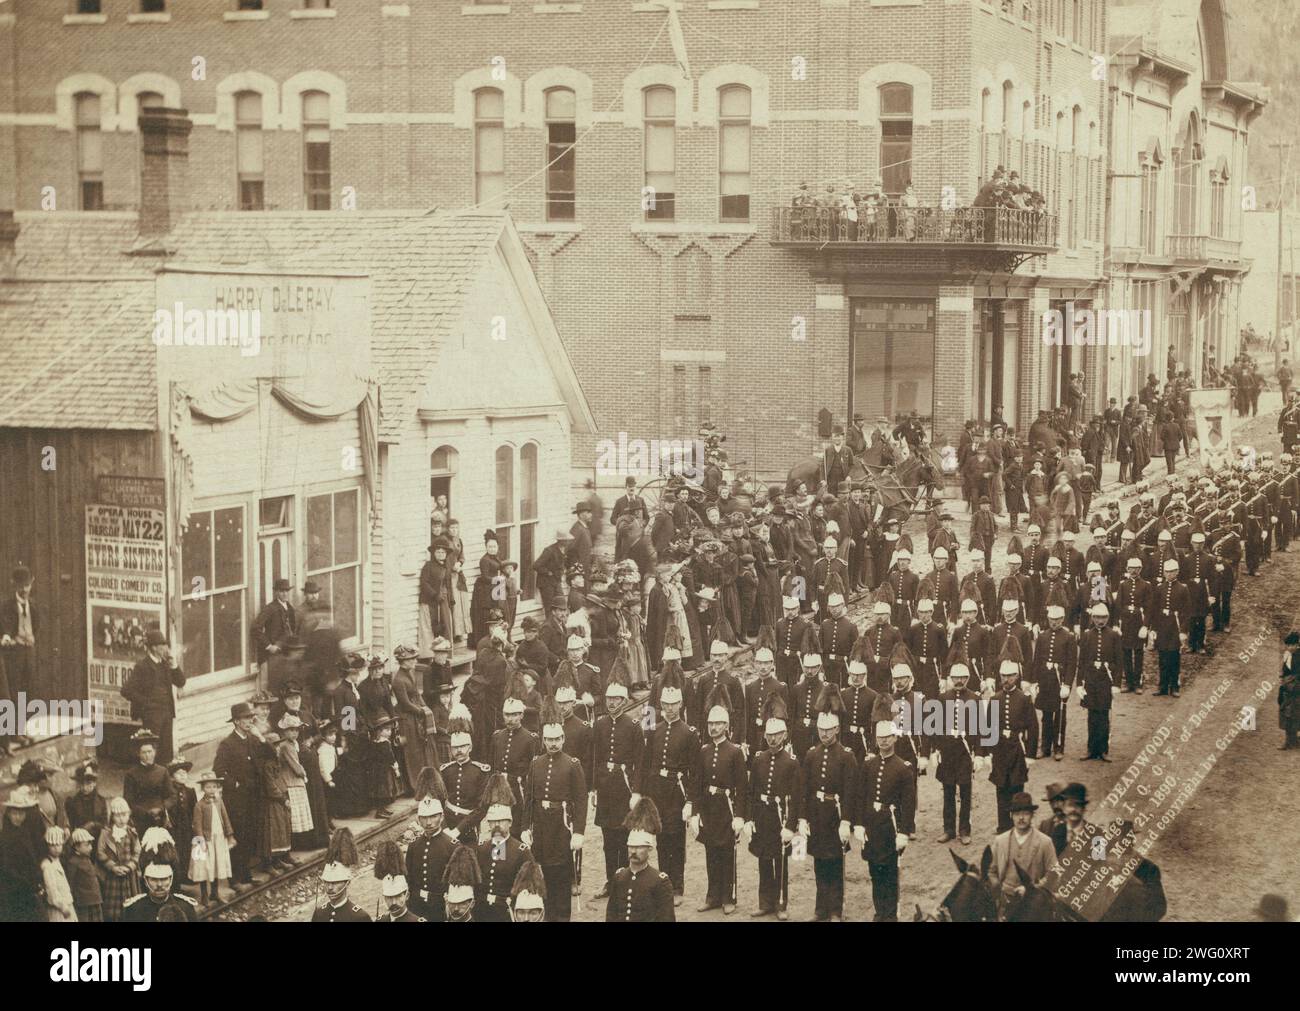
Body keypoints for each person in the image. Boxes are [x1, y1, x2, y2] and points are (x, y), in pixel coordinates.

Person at [521, 700, 587, 921]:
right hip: (540, 828)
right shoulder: (535, 763)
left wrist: (578, 832)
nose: (553, 744)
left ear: (563, 739)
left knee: (560, 876)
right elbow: (529, 799)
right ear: (543, 740)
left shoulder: (572, 764)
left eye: (557, 739)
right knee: (543, 875)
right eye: (549, 739)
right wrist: (524, 828)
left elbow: (581, 801)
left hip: (562, 827)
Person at [797, 683, 858, 922]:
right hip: (817, 816)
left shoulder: (847, 756)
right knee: (819, 864)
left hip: (835, 815)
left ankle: (835, 910)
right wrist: (802, 818)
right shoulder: (811, 754)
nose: (824, 734)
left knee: (835, 864)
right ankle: (820, 908)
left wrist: (846, 822)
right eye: (821, 730)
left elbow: (851, 792)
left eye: (829, 730)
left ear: (837, 730)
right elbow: (804, 789)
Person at [688, 686, 748, 915]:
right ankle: (712, 895)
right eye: (710, 724)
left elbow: (742, 788)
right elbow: (696, 783)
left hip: (727, 808)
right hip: (708, 808)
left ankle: (728, 896)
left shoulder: (734, 752)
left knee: (727, 853)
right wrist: (695, 812)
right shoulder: (703, 751)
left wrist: (740, 816)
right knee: (711, 851)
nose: (713, 728)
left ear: (726, 726)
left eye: (718, 724)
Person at [591, 670, 643, 899]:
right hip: (604, 787)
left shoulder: (633, 725)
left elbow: (640, 762)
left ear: (624, 701)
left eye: (616, 699)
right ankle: (611, 880)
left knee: (623, 837)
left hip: (624, 787)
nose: (612, 703)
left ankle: (625, 880)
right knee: (607, 839)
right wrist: (593, 788)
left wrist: (637, 791)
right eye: (609, 699)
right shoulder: (600, 724)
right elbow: (594, 757)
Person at [213, 701, 269, 888]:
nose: (249, 721)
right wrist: (235, 784)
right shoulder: (227, 744)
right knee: (237, 836)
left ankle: (245, 874)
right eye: (245, 718)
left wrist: (260, 737)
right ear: (236, 721)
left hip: (254, 796)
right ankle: (234, 878)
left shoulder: (253, 739)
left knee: (250, 834)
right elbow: (218, 770)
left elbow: (271, 755)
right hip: (236, 798)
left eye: (250, 717)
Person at [987, 639, 1038, 832]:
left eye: (1009, 676)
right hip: (1000, 750)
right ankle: (1003, 825)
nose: (1006, 680)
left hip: (1018, 749)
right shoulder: (994, 699)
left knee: (1017, 788)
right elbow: (988, 727)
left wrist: (1031, 753)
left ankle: (1019, 825)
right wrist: (989, 751)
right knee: (1001, 789)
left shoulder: (1024, 699)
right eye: (1003, 676)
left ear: (1016, 676)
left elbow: (1033, 727)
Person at [121, 629, 187, 764]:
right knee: (152, 751)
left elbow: (181, 682)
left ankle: (165, 780)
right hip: (151, 716)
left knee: (166, 752)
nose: (166, 648)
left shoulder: (165, 664)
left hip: (167, 713)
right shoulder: (142, 666)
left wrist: (174, 665)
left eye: (165, 645)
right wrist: (146, 704)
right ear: (154, 648)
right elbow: (126, 690)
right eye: (162, 645)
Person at [934, 656, 980, 845]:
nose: (959, 681)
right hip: (947, 751)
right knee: (948, 790)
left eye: (962, 678)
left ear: (968, 679)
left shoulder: (975, 699)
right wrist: (936, 749)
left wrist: (979, 754)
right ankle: (949, 829)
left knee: (966, 791)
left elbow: (981, 728)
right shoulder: (942, 698)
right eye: (955, 678)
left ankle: (964, 829)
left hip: (965, 752)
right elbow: (935, 726)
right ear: (951, 679)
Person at [606, 798, 676, 922]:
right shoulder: (619, 877)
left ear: (649, 848)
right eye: (631, 846)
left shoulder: (660, 882)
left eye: (639, 847)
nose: (633, 851)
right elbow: (611, 916)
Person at [987, 792, 1056, 916]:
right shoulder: (1000, 841)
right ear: (1011, 815)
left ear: (1032, 815)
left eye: (1025, 813)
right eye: (1017, 814)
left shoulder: (1045, 842)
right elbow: (991, 871)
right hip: (1005, 903)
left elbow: (1054, 874)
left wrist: (1031, 889)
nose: (1021, 818)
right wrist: (998, 890)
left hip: (1033, 905)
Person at [404, 767, 456, 920]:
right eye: (424, 818)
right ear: (418, 820)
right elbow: (409, 876)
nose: (429, 822)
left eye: (433, 817)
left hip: (439, 905)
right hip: (416, 904)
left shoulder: (452, 845)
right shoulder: (414, 845)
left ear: (441, 817)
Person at [1077, 602, 1122, 760]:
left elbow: (1119, 661)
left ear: (1108, 618)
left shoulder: (1114, 636)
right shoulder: (1087, 635)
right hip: (1090, 681)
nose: (1100, 621)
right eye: (1096, 617)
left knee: (1103, 714)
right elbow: (1081, 662)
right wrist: (1079, 684)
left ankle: (1103, 749)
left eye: (1103, 617)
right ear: (1092, 618)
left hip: (1105, 681)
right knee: (1092, 715)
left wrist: (1116, 684)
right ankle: (1091, 749)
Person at [0, 787, 43, 921]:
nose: (18, 817)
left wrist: (37, 879)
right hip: (12, 889)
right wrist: (27, 883)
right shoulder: (4, 837)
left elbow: (32, 858)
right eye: (14, 813)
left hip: (28, 888)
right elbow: (7, 867)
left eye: (21, 813)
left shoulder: (25, 833)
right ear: (8, 814)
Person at [97, 796, 141, 921]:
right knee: (113, 907)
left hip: (128, 875)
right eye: (117, 815)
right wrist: (113, 867)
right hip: (112, 876)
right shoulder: (106, 833)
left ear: (129, 814)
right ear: (112, 816)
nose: (121, 819)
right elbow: (100, 852)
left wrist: (129, 866)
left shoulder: (132, 833)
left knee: (130, 902)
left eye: (124, 815)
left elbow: (137, 851)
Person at [312, 828, 370, 921]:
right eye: (327, 882)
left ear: (347, 882)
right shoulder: (319, 914)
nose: (330, 887)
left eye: (335, 883)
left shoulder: (359, 917)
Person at [0, 565, 38, 706]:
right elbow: (5, 625)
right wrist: (7, 636)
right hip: (14, 653)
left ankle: (27, 723)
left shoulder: (34, 607)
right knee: (14, 689)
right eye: (21, 586)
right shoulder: (6, 606)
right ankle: (14, 724)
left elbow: (37, 626)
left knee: (30, 689)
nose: (25, 590)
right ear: (14, 585)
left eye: (27, 585)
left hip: (30, 652)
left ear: (32, 583)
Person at [123, 728, 174, 830]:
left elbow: (171, 795)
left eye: (150, 752)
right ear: (139, 754)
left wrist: (161, 808)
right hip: (141, 819)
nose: (147, 756)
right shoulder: (131, 774)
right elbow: (128, 800)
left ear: (154, 752)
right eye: (144, 752)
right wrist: (145, 812)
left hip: (161, 817)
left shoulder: (162, 771)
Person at [251, 578, 297, 683]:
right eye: (281, 591)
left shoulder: (290, 608)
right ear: (276, 592)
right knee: (275, 684)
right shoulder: (270, 609)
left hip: (288, 652)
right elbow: (255, 629)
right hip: (274, 654)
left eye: (286, 591)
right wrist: (269, 646)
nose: (285, 594)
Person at [122, 860, 199, 922]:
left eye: (164, 879)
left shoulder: (185, 907)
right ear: (146, 881)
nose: (159, 884)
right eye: (154, 879)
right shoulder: (135, 908)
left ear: (171, 880)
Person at [66, 827, 102, 921]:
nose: (91, 847)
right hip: (84, 902)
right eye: (87, 845)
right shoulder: (73, 862)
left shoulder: (87, 859)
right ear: (77, 847)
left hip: (95, 899)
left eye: (91, 844)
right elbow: (70, 882)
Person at [1279, 632, 1300, 751]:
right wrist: (1283, 680)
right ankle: (1288, 740)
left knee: (1295, 715)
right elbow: (1284, 671)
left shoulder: (1299, 656)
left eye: (1293, 645)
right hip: (1288, 690)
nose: (1291, 647)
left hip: (1296, 690)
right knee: (1286, 715)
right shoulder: (1287, 655)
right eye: (1288, 645)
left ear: (1298, 644)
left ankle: (1294, 739)